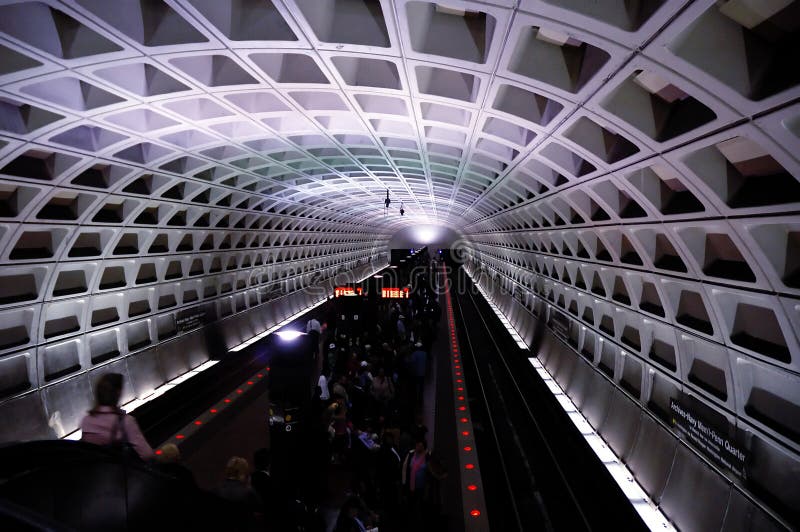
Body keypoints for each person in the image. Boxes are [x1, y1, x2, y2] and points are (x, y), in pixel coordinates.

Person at [80, 373, 154, 460]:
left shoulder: (86, 420)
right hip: (118, 471)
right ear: (118, 394)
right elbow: (147, 454)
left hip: (97, 470)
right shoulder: (125, 421)